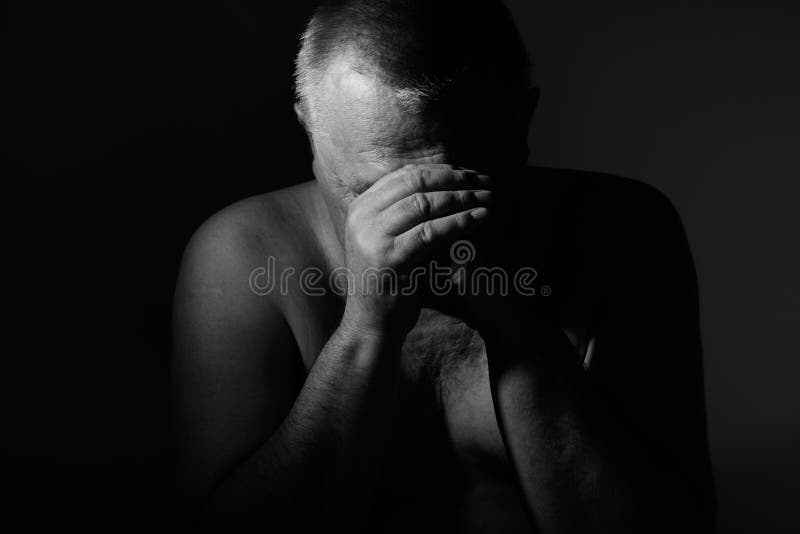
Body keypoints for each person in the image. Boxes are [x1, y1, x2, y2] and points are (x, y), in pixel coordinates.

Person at [171, 1, 715, 531]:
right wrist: (367, 327)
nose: (419, 227)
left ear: (520, 124)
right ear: (310, 131)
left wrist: (517, 322)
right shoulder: (244, 252)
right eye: (368, 190)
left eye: (458, 182)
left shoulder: (620, 231)